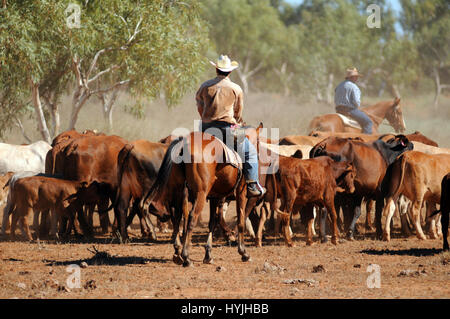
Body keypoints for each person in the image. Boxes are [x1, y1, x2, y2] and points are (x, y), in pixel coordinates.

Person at [195, 54, 265, 197]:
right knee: (250, 152)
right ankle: (252, 185)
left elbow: (199, 106)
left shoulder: (205, 86)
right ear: (230, 71)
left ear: (216, 69)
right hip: (228, 129)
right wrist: (237, 121)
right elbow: (238, 112)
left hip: (205, 129)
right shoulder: (236, 88)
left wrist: (206, 118)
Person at [334, 67, 373, 134]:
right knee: (368, 122)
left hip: (338, 110)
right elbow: (356, 102)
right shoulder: (354, 87)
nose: (357, 78)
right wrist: (357, 107)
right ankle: (366, 141)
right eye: (355, 77)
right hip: (350, 110)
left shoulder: (339, 85)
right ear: (351, 77)